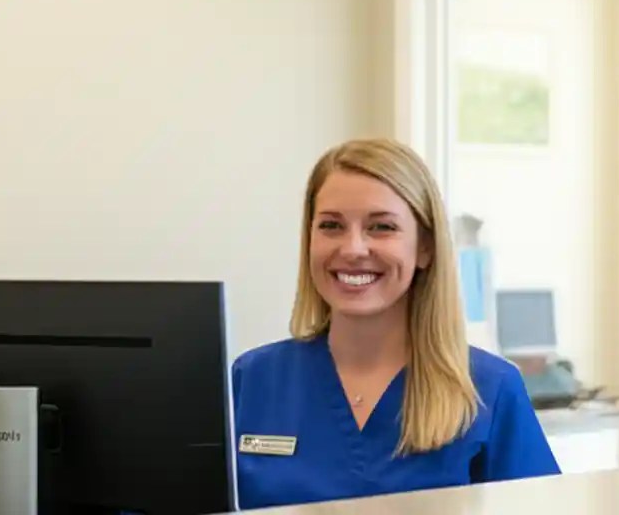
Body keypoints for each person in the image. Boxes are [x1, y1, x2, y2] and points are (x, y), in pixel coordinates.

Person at [231, 137, 561, 509]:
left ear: (424, 248)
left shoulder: (489, 390)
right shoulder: (252, 380)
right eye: (331, 226)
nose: (353, 249)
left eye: (381, 227)